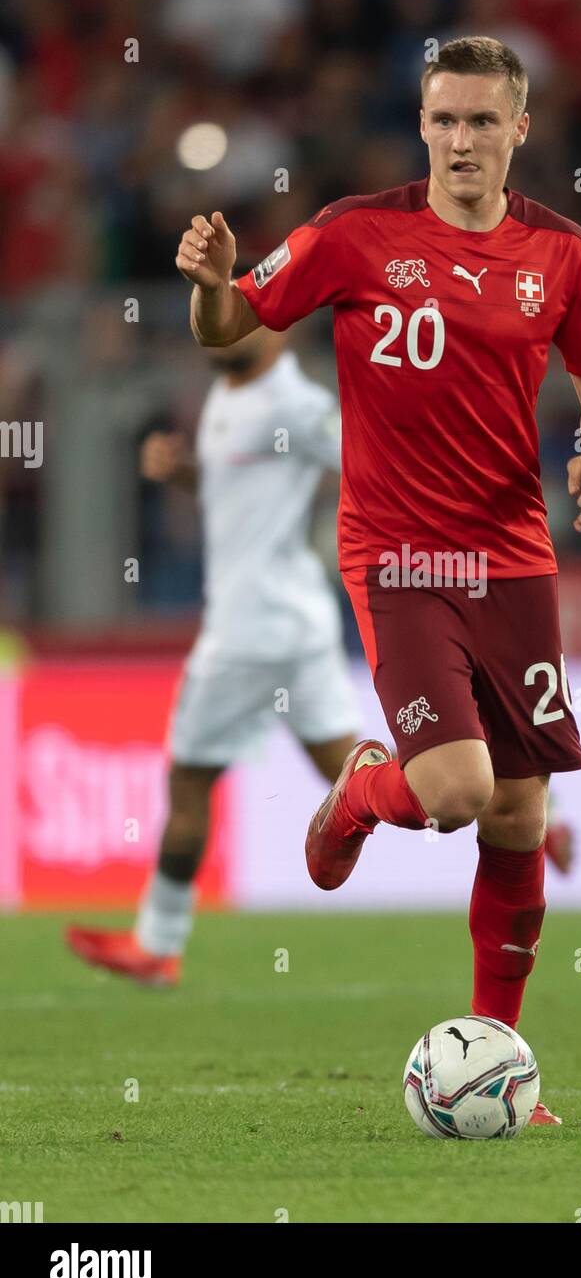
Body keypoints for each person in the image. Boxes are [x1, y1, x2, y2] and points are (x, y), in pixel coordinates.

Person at [175, 37, 581, 1123]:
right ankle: (361, 791)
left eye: (482, 121)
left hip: (512, 558)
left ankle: (502, 1062)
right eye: (443, 120)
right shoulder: (354, 233)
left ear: (519, 130)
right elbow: (230, 325)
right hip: (398, 555)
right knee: (457, 792)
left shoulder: (561, 254)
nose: (460, 140)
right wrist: (203, 289)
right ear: (420, 126)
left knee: (518, 815)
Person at [66, 327, 360, 985]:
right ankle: (509, 812)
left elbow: (367, 455)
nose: (217, 327)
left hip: (247, 632)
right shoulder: (230, 395)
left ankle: (158, 944)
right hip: (296, 621)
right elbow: (242, 496)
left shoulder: (292, 402)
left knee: (190, 782)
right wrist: (186, 474)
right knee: (350, 777)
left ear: (276, 328)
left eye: (238, 314)